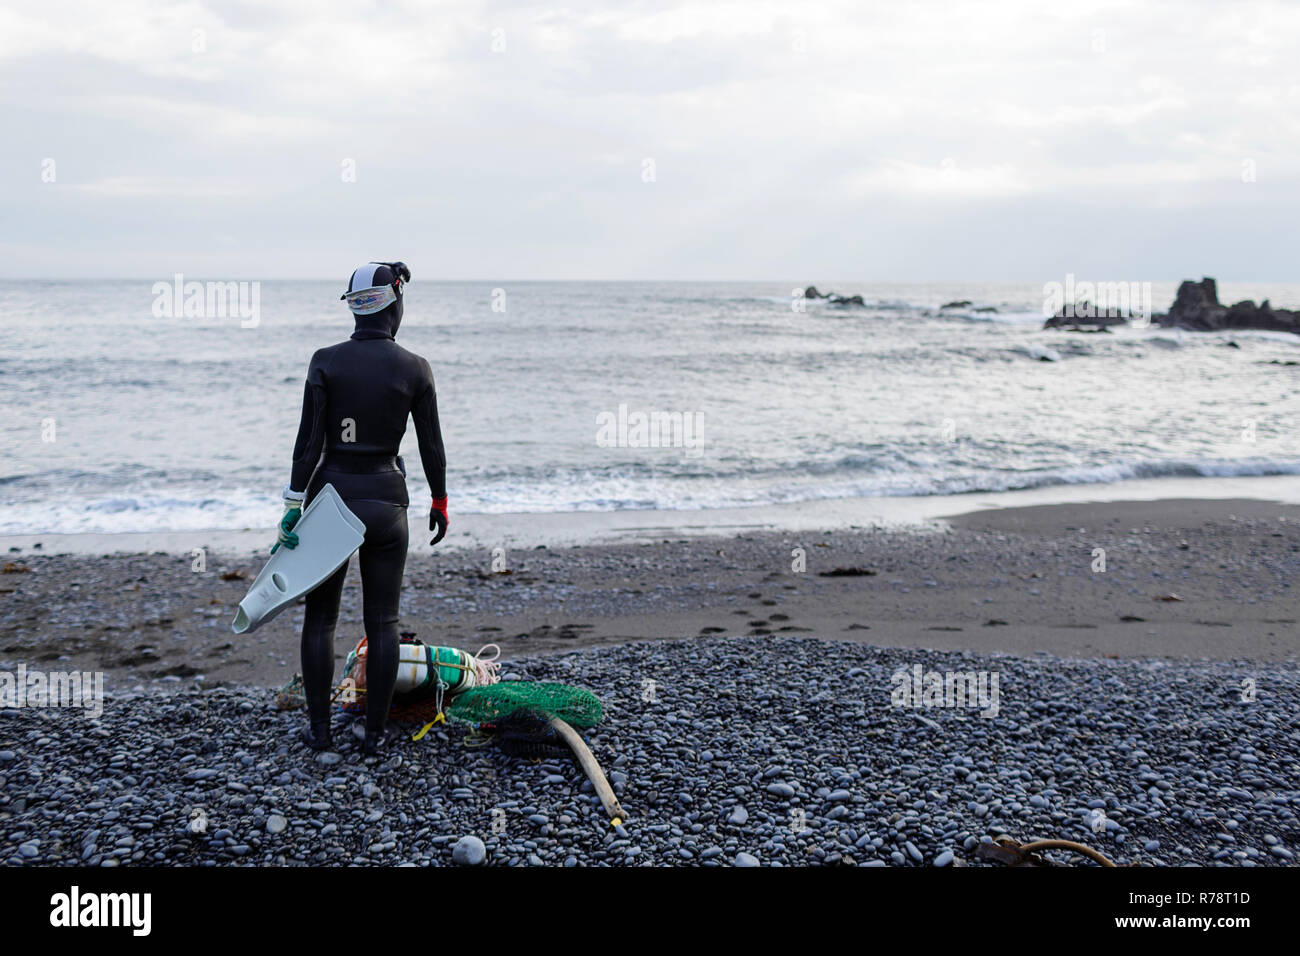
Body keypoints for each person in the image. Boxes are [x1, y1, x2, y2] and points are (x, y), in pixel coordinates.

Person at [276, 261, 448, 756]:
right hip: (387, 502)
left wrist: (292, 504)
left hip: (330, 502)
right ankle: (373, 735)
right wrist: (439, 500)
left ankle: (320, 732)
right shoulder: (415, 368)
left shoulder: (325, 361)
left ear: (354, 308)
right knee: (383, 622)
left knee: (321, 619)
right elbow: (432, 446)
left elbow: (308, 444)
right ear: (395, 302)